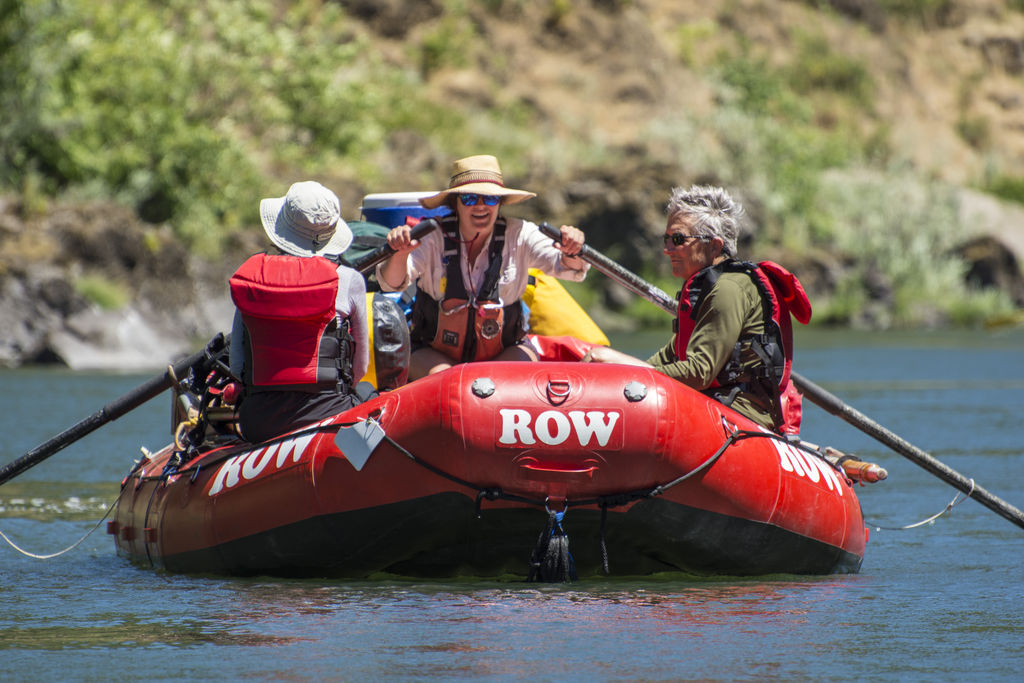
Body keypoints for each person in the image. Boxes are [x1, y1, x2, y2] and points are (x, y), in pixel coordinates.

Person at [584, 185, 811, 434]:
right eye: (666, 239)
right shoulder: (706, 290)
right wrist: (610, 367)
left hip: (739, 418)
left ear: (714, 247)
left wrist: (620, 365)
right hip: (713, 406)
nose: (667, 249)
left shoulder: (728, 290)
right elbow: (663, 362)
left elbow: (698, 372)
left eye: (678, 239)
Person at [376, 154, 589, 379]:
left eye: (490, 199)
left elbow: (569, 268)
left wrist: (573, 249)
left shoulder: (521, 234)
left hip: (506, 350)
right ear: (455, 204)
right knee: (447, 378)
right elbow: (391, 284)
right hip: (433, 353)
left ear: (499, 203)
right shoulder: (431, 236)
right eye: (469, 198)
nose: (480, 206)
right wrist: (399, 254)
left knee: (503, 377)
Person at [228, 181, 369, 443]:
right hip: (330, 417)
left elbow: (238, 366)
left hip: (259, 423)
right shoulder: (349, 280)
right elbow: (359, 368)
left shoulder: (251, 280)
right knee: (370, 391)